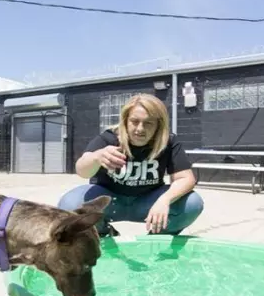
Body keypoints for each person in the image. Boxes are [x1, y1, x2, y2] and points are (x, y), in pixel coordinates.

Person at [58, 93, 204, 237]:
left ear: (158, 125)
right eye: (135, 121)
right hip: (110, 201)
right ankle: (104, 233)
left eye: (148, 123)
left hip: (147, 201)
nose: (140, 128)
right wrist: (97, 157)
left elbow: (185, 178)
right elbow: (82, 170)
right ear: (125, 121)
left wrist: (165, 200)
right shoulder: (108, 138)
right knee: (69, 205)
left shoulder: (169, 142)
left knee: (192, 203)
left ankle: (156, 240)